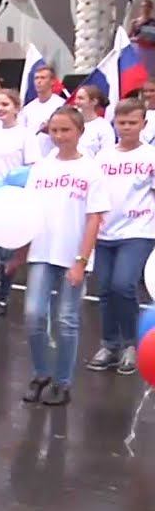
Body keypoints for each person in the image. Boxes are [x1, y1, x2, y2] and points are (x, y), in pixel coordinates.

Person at [15, 106, 110, 406]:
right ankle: (42, 372)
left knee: (66, 319)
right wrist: (19, 252)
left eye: (65, 130)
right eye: (54, 130)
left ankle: (63, 381)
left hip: (72, 255)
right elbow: (27, 211)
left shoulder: (91, 169)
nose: (59, 136)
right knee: (33, 315)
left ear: (80, 132)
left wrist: (82, 261)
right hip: (41, 252)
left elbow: (95, 218)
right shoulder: (41, 168)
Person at [86, 99, 155, 375]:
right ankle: (109, 344)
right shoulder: (103, 158)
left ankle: (130, 344)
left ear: (143, 124)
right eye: (121, 122)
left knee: (123, 285)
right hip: (105, 233)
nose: (126, 128)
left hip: (138, 231)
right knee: (104, 289)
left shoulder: (150, 157)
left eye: (132, 123)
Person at [0, 89, 42, 316]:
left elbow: (33, 166)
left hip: (10, 199)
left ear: (17, 107)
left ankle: (2, 297)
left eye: (5, 104)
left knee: (6, 251)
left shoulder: (26, 135)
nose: (0, 109)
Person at [20, 65, 66, 156]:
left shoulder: (61, 105)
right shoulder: (28, 108)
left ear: (52, 81)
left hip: (55, 155)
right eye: (36, 78)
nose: (39, 81)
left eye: (43, 78)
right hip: (32, 157)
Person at [74, 84, 116, 156]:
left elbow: (108, 153)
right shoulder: (70, 123)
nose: (76, 102)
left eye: (81, 98)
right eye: (76, 98)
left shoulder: (103, 126)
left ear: (94, 101)